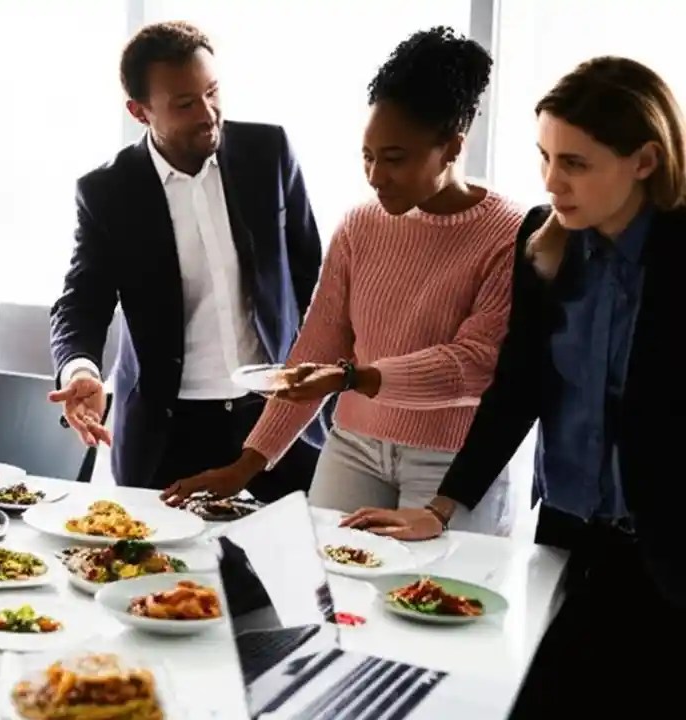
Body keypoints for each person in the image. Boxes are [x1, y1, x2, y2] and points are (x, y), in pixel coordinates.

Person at [342, 56, 686, 715]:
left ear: (644, 161)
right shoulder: (543, 242)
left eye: (576, 163)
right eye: (545, 156)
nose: (553, 181)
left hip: (669, 555)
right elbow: (517, 387)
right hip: (569, 537)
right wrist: (442, 505)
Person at [162, 27, 523, 536]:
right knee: (328, 594)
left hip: (452, 459)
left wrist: (355, 377)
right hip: (353, 444)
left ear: (451, 148)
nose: (375, 177)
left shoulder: (507, 235)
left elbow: (474, 366)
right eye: (367, 156)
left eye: (395, 159)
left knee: (434, 600)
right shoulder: (360, 225)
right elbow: (318, 349)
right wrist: (246, 466)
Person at [48, 21, 324, 500]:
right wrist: (80, 371)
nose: (207, 113)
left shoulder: (269, 152)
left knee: (295, 569)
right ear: (140, 111)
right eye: (184, 104)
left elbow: (309, 274)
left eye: (212, 92)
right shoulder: (108, 192)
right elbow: (81, 303)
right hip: (168, 431)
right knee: (163, 574)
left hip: (275, 418)